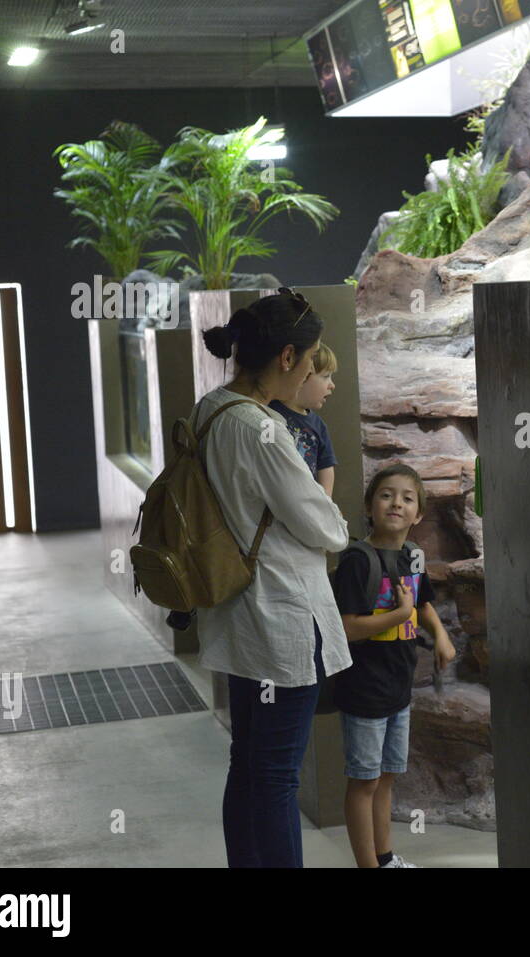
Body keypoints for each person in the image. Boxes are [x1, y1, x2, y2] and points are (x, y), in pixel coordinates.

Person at [197, 288, 352, 868]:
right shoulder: (263, 431)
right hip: (284, 618)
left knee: (249, 764)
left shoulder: (210, 407)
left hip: (239, 615)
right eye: (311, 360)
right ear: (287, 358)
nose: (314, 371)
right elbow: (325, 527)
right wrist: (334, 517)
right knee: (280, 776)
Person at [331, 464, 456, 868]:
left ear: (418, 513)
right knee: (364, 781)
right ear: (369, 506)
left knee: (385, 778)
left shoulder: (412, 556)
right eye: (386, 495)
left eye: (407, 497)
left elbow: (421, 604)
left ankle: (384, 860)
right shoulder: (356, 560)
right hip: (364, 690)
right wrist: (398, 614)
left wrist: (440, 634)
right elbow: (348, 628)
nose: (396, 503)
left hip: (398, 689)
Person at [269, 342, 338, 496]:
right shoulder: (269, 413)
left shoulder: (319, 426)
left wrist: (326, 506)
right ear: (303, 374)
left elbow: (325, 467)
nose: (332, 385)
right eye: (326, 376)